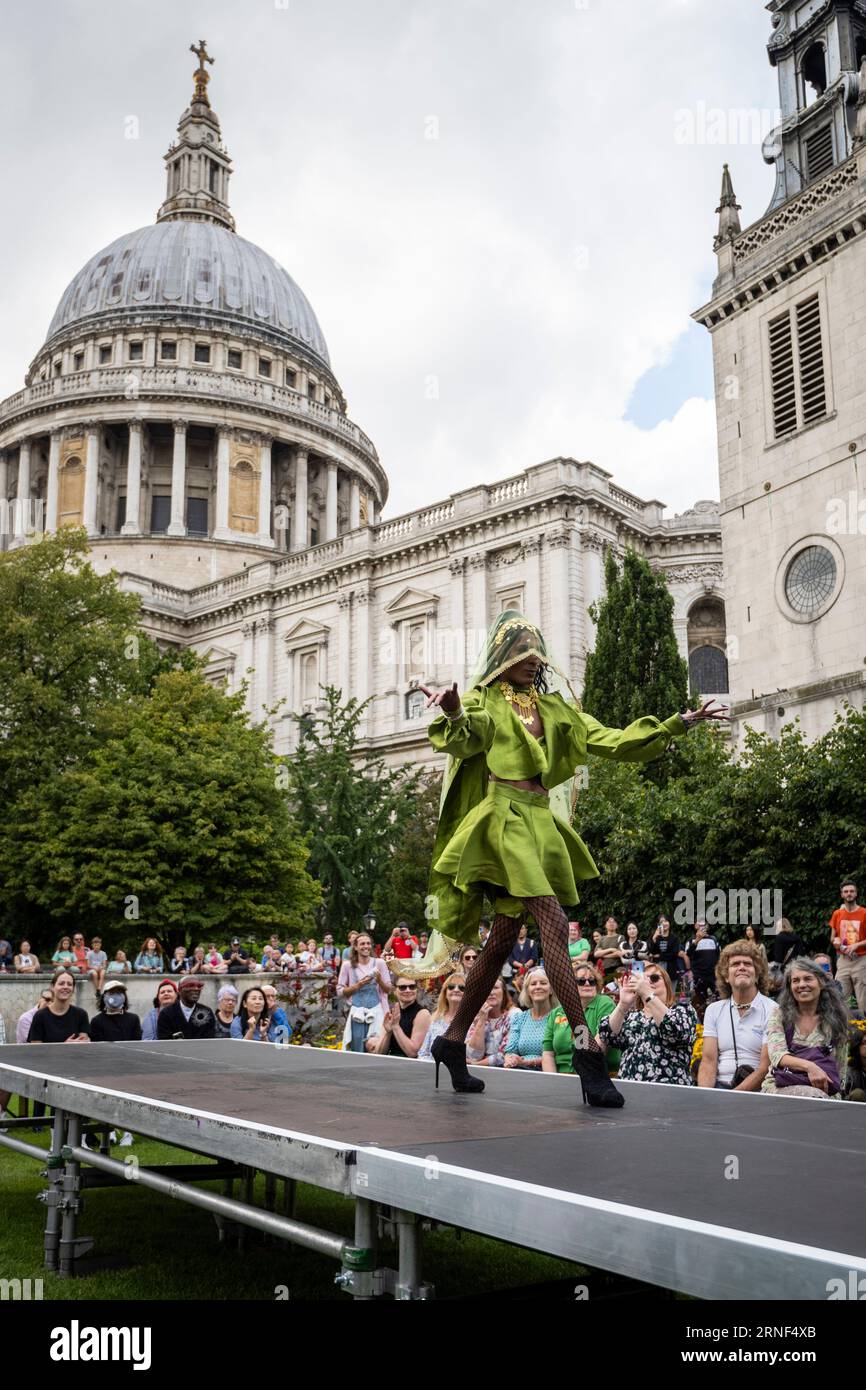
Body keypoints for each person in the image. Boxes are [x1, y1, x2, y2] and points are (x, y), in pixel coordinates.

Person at [420, 611, 726, 1104]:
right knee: (555, 923)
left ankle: (451, 1042)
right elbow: (467, 733)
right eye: (521, 650)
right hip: (502, 824)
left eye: (536, 650)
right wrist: (455, 710)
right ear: (502, 658)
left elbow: (612, 740)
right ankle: (588, 1058)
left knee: (499, 943)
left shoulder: (556, 709)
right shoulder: (486, 702)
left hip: (539, 823)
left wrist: (677, 723)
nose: (531, 659)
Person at [759, 959, 849, 1099]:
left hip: (824, 1092)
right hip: (779, 1087)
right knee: (813, 1096)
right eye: (795, 981)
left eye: (808, 979)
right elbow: (777, 1055)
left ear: (821, 982)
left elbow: (840, 1067)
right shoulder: (780, 1014)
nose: (802, 985)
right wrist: (811, 1067)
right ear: (790, 987)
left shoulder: (836, 1020)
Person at [598, 965, 697, 1086]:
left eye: (654, 978)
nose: (648, 982)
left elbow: (674, 1031)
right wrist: (623, 1005)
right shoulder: (631, 1015)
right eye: (644, 979)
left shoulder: (682, 1011)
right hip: (630, 1088)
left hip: (670, 1091)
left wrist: (648, 994)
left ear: (667, 984)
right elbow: (607, 1035)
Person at [697, 940, 776, 1090]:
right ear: (726, 977)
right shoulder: (713, 1010)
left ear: (757, 975)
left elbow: (765, 1067)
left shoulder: (773, 1009)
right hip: (719, 1088)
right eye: (735, 964)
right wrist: (706, 1097)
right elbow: (708, 1061)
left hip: (758, 1090)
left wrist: (733, 1097)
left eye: (747, 964)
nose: (741, 967)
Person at [542, 962, 619, 1074]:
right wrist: (553, 1081)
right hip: (561, 1076)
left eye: (592, 981)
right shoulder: (557, 1012)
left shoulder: (604, 1003)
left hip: (595, 1074)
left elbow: (601, 1043)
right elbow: (548, 1053)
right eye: (581, 981)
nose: (587, 984)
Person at [336, 933, 392, 1052]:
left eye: (368, 943)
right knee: (357, 1047)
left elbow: (389, 989)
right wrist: (358, 985)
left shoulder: (379, 963)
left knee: (375, 1047)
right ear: (355, 947)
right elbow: (340, 991)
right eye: (362, 944)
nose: (366, 946)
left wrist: (379, 980)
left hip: (377, 1010)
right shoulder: (347, 966)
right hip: (357, 1012)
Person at [366, 976, 432, 1058]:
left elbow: (413, 1052)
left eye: (412, 987)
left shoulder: (422, 1014)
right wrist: (388, 1032)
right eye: (402, 987)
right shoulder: (392, 1013)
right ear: (394, 991)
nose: (408, 990)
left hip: (410, 1067)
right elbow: (379, 1053)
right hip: (390, 1063)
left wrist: (396, 1027)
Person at [504, 967, 556, 1071]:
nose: (538, 987)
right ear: (527, 991)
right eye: (533, 984)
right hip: (519, 1071)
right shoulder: (520, 1018)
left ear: (551, 990)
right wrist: (510, 1059)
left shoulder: (559, 1017)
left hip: (547, 1072)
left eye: (543, 983)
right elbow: (510, 1050)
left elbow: (559, 1054)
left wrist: (528, 1062)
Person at [829, 878, 866, 1015]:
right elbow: (833, 938)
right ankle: (842, 1032)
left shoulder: (864, 913)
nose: (849, 893)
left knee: (863, 1000)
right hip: (843, 960)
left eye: (851, 891)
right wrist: (836, 941)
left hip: (861, 960)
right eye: (846, 891)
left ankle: (864, 1032)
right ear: (842, 895)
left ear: (856, 894)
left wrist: (857, 944)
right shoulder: (837, 914)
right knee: (839, 997)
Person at [418, 973, 469, 1064]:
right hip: (433, 1072)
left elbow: (475, 1056)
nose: (456, 990)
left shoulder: (473, 1021)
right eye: (451, 987)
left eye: (461, 988)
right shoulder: (435, 1019)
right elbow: (423, 1053)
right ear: (445, 993)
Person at [466, 977, 518, 1066]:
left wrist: (478, 1064)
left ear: (504, 992)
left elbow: (506, 1054)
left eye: (495, 988)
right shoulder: (475, 1017)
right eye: (487, 988)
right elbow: (473, 1055)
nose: (491, 992)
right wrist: (481, 1021)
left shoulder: (514, 1015)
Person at [28, 970, 90, 1043]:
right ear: (52, 987)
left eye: (69, 984)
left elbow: (83, 1047)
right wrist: (63, 1047)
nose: (65, 987)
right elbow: (35, 1051)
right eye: (61, 984)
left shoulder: (81, 1014)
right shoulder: (40, 1016)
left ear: (73, 989)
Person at [157, 975, 216, 1039]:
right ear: (179, 990)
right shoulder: (166, 1014)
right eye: (190, 985)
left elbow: (210, 1041)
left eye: (199, 986)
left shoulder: (207, 1012)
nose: (196, 989)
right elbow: (164, 1042)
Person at [685, 920, 721, 1007]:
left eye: (704, 923)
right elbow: (688, 954)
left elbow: (719, 956)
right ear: (695, 925)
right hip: (698, 976)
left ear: (707, 926)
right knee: (699, 1002)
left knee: (719, 998)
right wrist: (697, 940)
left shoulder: (713, 939)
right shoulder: (691, 940)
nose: (701, 925)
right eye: (699, 923)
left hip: (713, 975)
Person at [767, 918, 806, 992]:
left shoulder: (779, 937)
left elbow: (778, 957)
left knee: (785, 989)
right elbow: (802, 953)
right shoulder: (796, 937)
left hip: (784, 969)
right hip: (796, 966)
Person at [650, 917, 689, 989]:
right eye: (661, 922)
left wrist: (659, 956)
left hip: (672, 969)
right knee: (658, 993)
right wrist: (654, 938)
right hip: (658, 969)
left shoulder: (674, 938)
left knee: (671, 994)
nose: (664, 923)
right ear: (658, 925)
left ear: (669, 923)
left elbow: (673, 954)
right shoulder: (656, 938)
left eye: (666, 921)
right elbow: (652, 952)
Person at [843, 1027, 866, 1101]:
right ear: (857, 1046)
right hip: (853, 1109)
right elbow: (842, 1098)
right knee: (858, 1094)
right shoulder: (848, 1072)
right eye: (865, 1042)